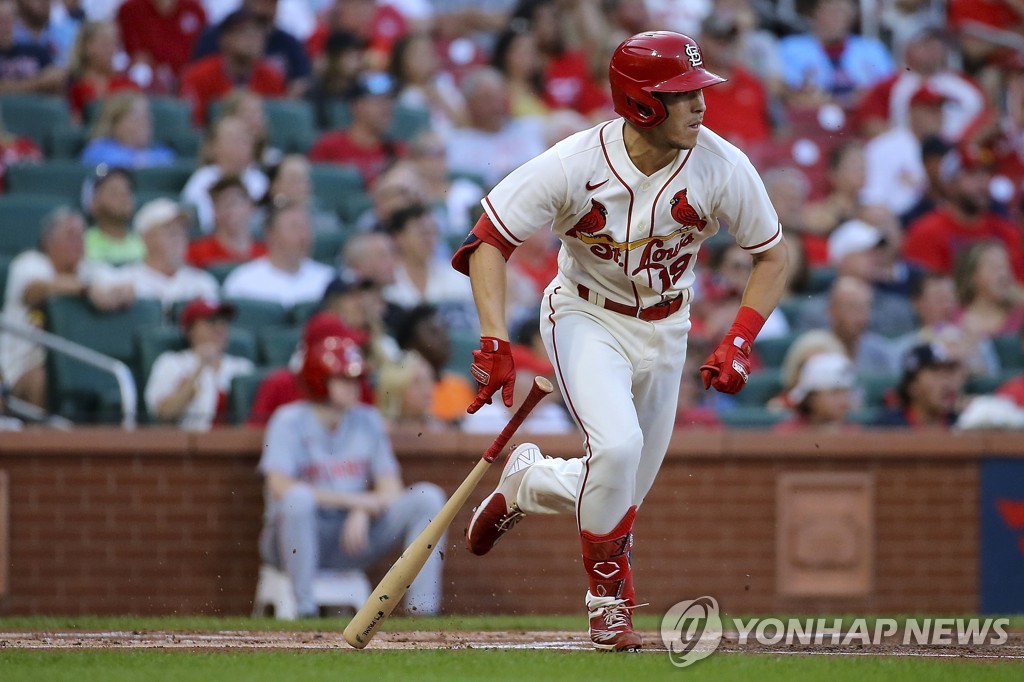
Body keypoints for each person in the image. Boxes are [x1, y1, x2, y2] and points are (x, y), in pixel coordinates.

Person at [453, 32, 788, 650]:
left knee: (621, 484)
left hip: (668, 326)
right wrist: (495, 338)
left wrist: (740, 337)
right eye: (681, 94)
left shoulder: (722, 163)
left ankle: (528, 482)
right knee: (620, 448)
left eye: (697, 91)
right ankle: (609, 604)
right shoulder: (573, 163)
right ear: (639, 104)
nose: (699, 105)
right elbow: (487, 242)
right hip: (585, 315)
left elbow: (771, 256)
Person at [257, 336, 446, 617]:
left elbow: (391, 488)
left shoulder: (367, 419)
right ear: (319, 380)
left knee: (427, 498)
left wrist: (362, 509)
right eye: (344, 379)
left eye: (356, 379)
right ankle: (305, 609)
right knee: (298, 499)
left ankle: (423, 611)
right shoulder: (288, 420)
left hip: (350, 539)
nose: (354, 386)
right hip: (293, 541)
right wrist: (355, 502)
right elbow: (279, 486)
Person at [0, 207, 128, 408]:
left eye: (81, 235)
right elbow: (34, 289)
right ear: (47, 241)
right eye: (70, 235)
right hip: (20, 367)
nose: (78, 242)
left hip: (78, 366)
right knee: (42, 378)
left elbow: (128, 287)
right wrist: (85, 289)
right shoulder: (30, 263)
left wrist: (117, 296)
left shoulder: (91, 269)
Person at [144, 298, 254, 429]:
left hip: (234, 444)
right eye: (211, 322)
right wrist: (199, 368)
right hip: (184, 444)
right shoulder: (171, 363)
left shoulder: (242, 367)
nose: (219, 329)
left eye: (223, 322)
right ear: (189, 330)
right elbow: (163, 416)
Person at [92, 198, 220, 310]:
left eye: (181, 229)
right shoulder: (124, 278)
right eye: (169, 230)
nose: (178, 236)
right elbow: (92, 282)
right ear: (146, 238)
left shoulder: (203, 282)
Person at [178, 8, 286, 126]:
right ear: (225, 38)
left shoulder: (272, 78)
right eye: (244, 32)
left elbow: (276, 126)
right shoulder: (199, 75)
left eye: (259, 32)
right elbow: (192, 125)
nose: (253, 39)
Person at [221, 201, 333, 308]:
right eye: (295, 227)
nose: (304, 236)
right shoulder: (242, 282)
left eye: (306, 227)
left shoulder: (328, 279)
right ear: (271, 234)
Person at [180, 115, 269, 232]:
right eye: (233, 139)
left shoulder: (260, 180)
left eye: (245, 140)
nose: (240, 146)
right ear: (213, 147)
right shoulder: (202, 180)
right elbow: (201, 225)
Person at [116, 0, 208, 93]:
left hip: (187, 83)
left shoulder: (195, 9)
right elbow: (131, 55)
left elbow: (205, 55)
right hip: (146, 85)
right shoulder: (130, 10)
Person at [874, 341, 964, 427]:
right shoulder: (888, 426)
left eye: (949, 373)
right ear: (912, 386)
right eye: (936, 374)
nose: (947, 383)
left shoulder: (964, 423)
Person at [80, 92, 177, 169]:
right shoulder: (98, 151)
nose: (145, 124)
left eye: (147, 117)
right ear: (115, 123)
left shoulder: (160, 152)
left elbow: (168, 160)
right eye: (136, 118)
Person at [186, 175, 266, 268]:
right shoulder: (196, 252)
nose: (229, 210)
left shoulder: (265, 254)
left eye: (234, 203)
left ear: (250, 207)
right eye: (222, 204)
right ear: (214, 211)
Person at [66, 20, 139, 121]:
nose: (111, 49)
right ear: (87, 46)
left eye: (115, 42)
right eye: (105, 42)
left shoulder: (128, 85)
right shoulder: (71, 83)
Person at [773, 351, 857, 431]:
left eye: (846, 392)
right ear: (811, 397)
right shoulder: (785, 433)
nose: (843, 400)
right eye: (835, 392)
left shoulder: (856, 433)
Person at [82, 165, 145, 266]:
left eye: (127, 191)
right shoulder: (80, 243)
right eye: (114, 192)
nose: (123, 197)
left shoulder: (146, 242)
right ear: (93, 201)